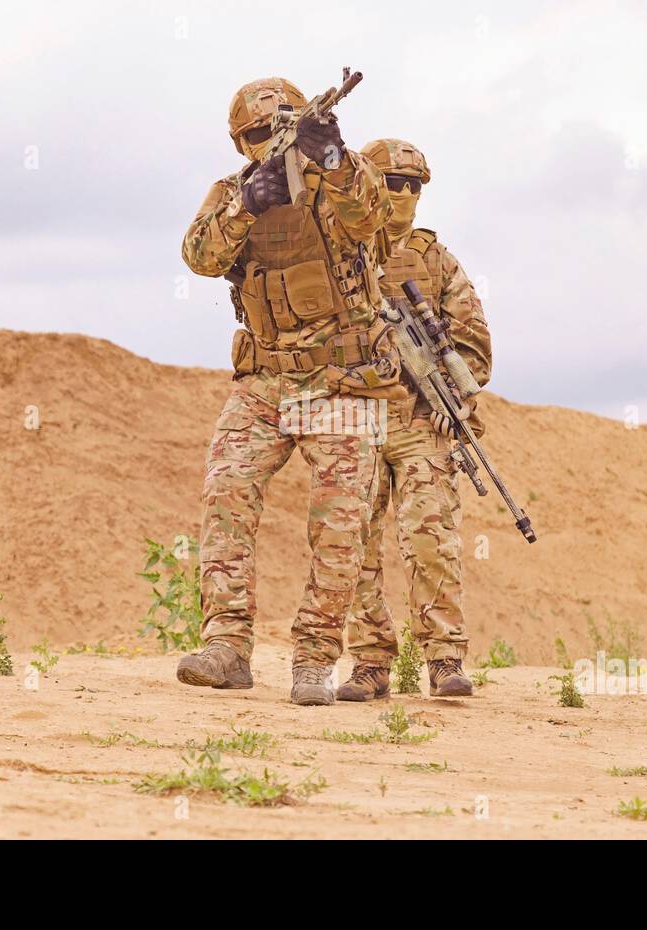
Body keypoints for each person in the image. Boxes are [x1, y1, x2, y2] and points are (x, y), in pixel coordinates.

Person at [176, 78, 403, 705]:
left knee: (338, 524)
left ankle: (314, 657)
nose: (265, 143)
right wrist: (247, 204)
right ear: (239, 142)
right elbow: (197, 255)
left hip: (339, 376)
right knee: (226, 493)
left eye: (278, 130)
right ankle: (226, 645)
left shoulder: (339, 183)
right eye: (253, 136)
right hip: (264, 378)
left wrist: (333, 157)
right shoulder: (232, 191)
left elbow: (375, 220)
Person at [337, 138, 492, 700]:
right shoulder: (340, 251)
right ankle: (370, 662)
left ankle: (444, 659)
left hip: (421, 422)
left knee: (431, 539)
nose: (404, 195)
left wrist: (453, 400)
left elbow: (474, 346)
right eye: (392, 182)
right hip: (355, 419)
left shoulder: (435, 260)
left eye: (414, 185)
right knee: (354, 545)